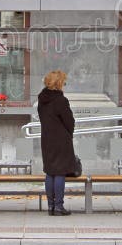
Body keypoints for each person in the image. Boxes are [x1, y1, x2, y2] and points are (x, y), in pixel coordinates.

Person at [37, 70, 77, 216]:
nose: (64, 85)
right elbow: (69, 121)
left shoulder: (42, 100)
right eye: (63, 82)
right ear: (59, 83)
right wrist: (68, 134)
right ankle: (59, 206)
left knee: (50, 172)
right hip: (61, 140)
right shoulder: (61, 100)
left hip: (47, 138)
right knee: (60, 172)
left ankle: (50, 206)